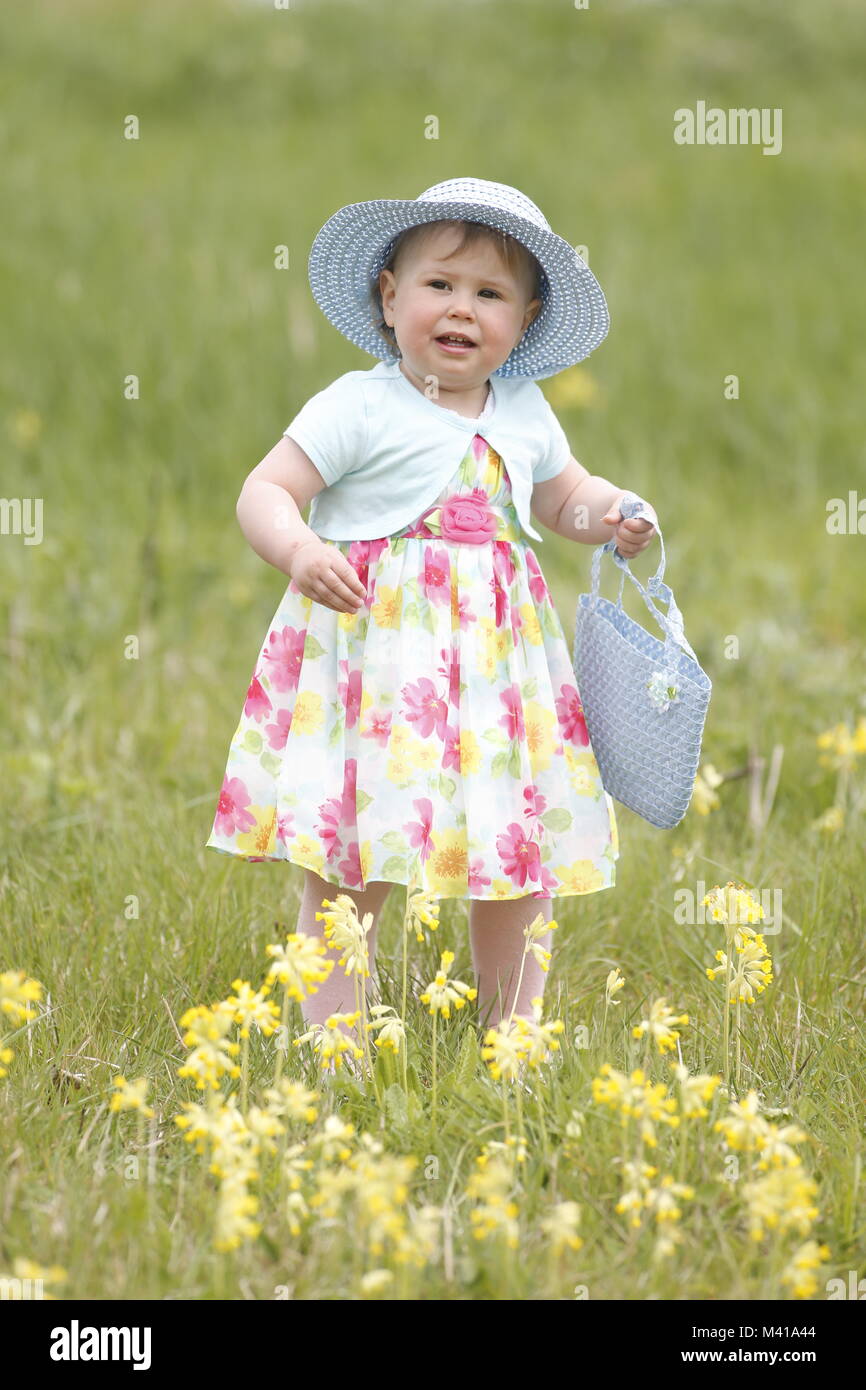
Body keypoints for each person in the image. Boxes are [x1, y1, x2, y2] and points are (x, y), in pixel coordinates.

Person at [205, 177, 657, 1044]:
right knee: (354, 854)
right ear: (389, 296)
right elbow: (265, 490)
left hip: (497, 674)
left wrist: (613, 516)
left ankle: (511, 1031)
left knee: (515, 856)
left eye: (489, 294)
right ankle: (335, 1038)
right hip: (378, 669)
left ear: (522, 324)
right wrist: (301, 550)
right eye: (439, 286)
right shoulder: (359, 404)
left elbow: (565, 500)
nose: (461, 309)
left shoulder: (523, 413)